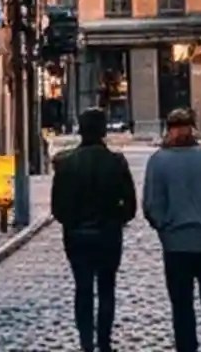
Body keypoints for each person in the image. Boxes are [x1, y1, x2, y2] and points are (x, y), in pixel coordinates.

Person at [142, 108, 201, 352]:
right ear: (193, 128)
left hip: (176, 241)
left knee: (181, 302)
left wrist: (163, 226)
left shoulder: (159, 161)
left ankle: (187, 346)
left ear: (169, 129)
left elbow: (152, 202)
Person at [51, 107, 137, 352]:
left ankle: (86, 343)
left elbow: (57, 207)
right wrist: (116, 220)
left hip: (77, 236)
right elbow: (130, 204)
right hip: (108, 236)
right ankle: (105, 343)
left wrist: (73, 222)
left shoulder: (66, 163)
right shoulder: (116, 162)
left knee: (83, 289)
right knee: (107, 289)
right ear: (102, 130)